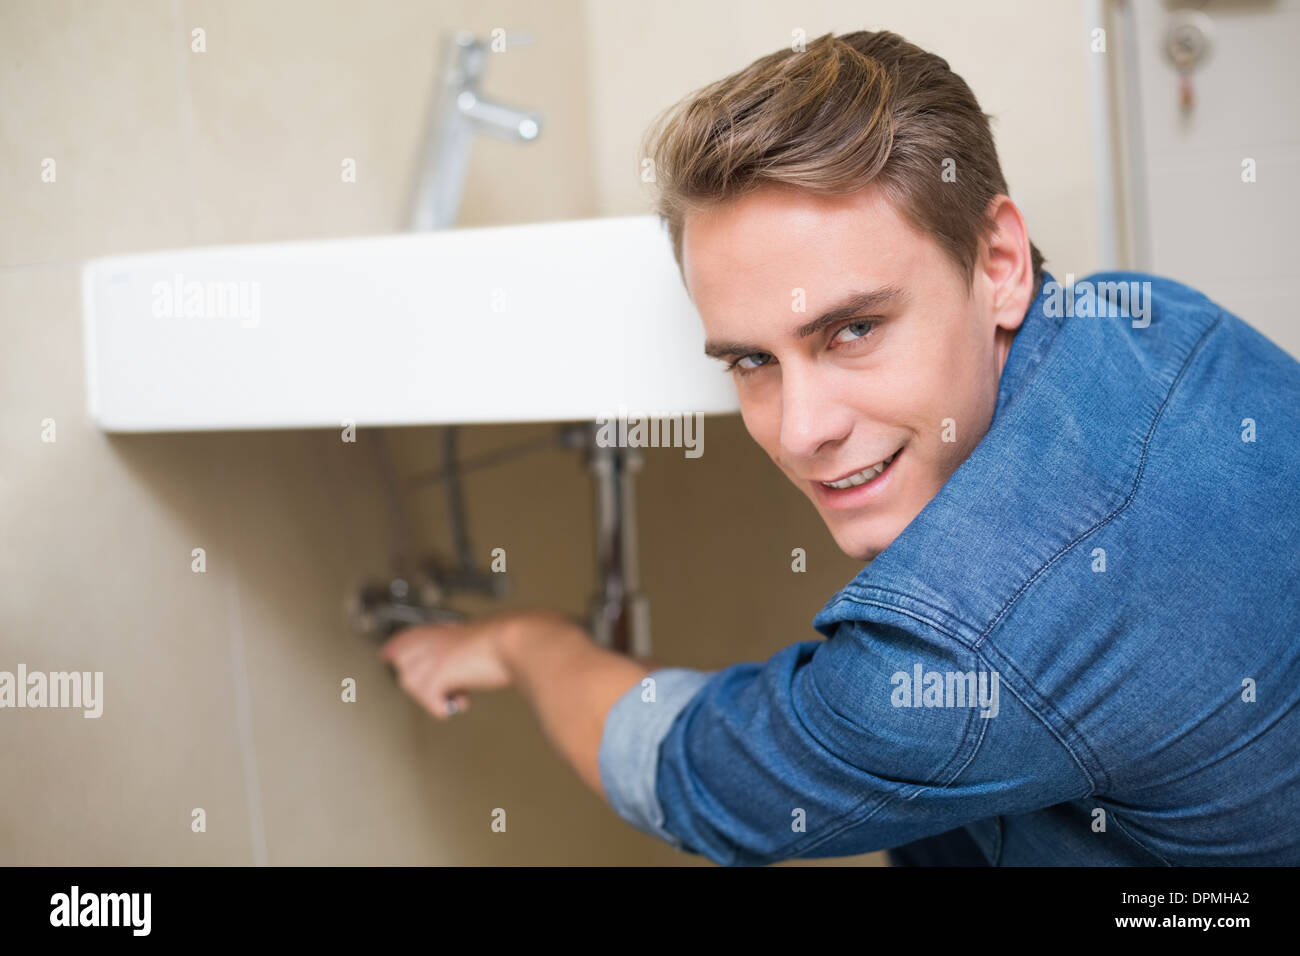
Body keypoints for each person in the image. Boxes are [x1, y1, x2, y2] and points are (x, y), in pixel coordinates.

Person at [379, 30, 1300, 866]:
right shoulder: (1151, 318)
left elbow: (694, 778)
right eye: (749, 359)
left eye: (853, 329)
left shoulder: (958, 652)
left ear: (999, 263)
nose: (799, 428)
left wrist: (526, 640)